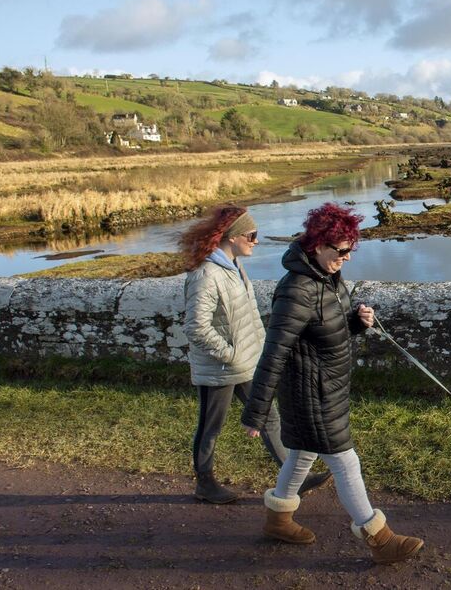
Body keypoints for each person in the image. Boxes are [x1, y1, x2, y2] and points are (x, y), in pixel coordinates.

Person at [241, 202, 423, 564]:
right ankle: (379, 538)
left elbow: (326, 331)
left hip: (327, 389)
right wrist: (256, 413)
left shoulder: (328, 278)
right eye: (341, 250)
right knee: (345, 462)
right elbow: (274, 352)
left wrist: (357, 322)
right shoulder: (296, 290)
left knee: (303, 453)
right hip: (312, 396)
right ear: (317, 246)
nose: (347, 257)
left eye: (350, 249)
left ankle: (278, 518)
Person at [180, 205, 330, 504]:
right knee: (211, 426)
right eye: (252, 235)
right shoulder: (207, 274)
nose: (256, 241)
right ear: (232, 236)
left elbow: (247, 317)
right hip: (220, 368)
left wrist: (260, 352)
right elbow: (196, 327)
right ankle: (205, 483)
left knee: (269, 417)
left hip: (247, 362)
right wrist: (231, 355)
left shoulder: (233, 266)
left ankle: (294, 479)